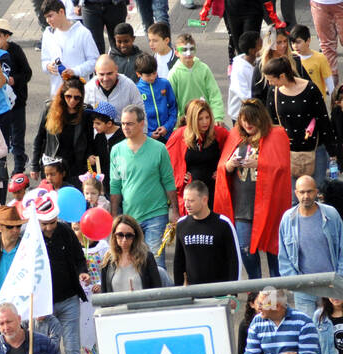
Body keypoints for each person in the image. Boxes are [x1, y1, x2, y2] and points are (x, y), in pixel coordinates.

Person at [216, 100, 292, 280]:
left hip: (269, 205)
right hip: (242, 205)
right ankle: (255, 286)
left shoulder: (277, 134)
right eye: (243, 120)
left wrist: (260, 164)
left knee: (274, 249)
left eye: (252, 119)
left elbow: (283, 166)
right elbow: (222, 166)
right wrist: (229, 165)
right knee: (244, 249)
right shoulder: (235, 135)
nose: (247, 124)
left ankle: (276, 289)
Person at [278, 175, 343, 329]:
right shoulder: (287, 219)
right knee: (309, 334)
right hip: (304, 290)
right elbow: (284, 258)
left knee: (336, 332)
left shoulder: (331, 214)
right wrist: (297, 283)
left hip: (332, 287)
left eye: (310, 192)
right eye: (302, 192)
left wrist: (340, 280)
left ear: (317, 192)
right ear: (296, 193)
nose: (306, 196)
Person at [108, 105, 179, 255]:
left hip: (156, 214)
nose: (125, 127)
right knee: (133, 262)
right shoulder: (116, 150)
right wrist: (114, 216)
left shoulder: (159, 149)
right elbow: (115, 186)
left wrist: (175, 212)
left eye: (130, 123)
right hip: (129, 217)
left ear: (141, 123)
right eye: (123, 124)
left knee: (155, 261)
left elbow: (168, 181)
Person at [172, 180, 240, 286]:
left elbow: (234, 260)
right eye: (185, 200)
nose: (186, 205)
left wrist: (233, 292)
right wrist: (178, 290)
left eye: (191, 201)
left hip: (219, 292)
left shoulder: (223, 223)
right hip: (193, 293)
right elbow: (178, 262)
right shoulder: (182, 225)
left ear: (204, 200)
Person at [40, 0, 100, 97]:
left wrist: (75, 71)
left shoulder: (83, 33)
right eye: (46, 17)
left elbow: (94, 61)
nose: (48, 21)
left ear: (61, 12)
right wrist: (48, 66)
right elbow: (44, 60)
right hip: (57, 94)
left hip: (78, 95)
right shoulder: (48, 34)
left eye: (50, 16)